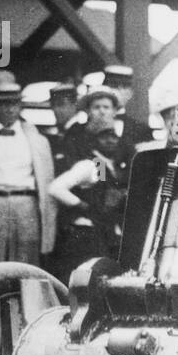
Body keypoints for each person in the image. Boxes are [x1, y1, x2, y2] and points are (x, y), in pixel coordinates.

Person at [0, 79, 56, 267]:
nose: (10, 109)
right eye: (4, 104)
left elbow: (47, 183)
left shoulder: (37, 140)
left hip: (25, 205)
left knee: (26, 265)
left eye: (14, 103)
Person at [47, 86, 132, 281]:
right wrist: (82, 205)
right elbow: (60, 187)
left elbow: (104, 185)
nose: (110, 141)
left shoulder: (106, 163)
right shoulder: (90, 161)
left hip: (104, 228)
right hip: (83, 228)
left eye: (113, 137)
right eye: (104, 137)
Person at [103, 64, 156, 147]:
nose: (118, 91)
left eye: (124, 86)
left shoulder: (141, 130)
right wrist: (99, 161)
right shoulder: (88, 128)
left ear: (130, 94)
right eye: (113, 85)